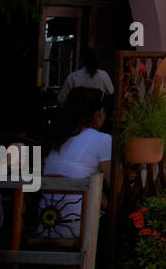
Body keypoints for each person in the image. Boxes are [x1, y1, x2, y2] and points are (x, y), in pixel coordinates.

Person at [37, 89, 111, 238]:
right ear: (99, 113)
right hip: (78, 228)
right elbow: (116, 184)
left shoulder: (56, 139)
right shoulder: (102, 139)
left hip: (46, 225)